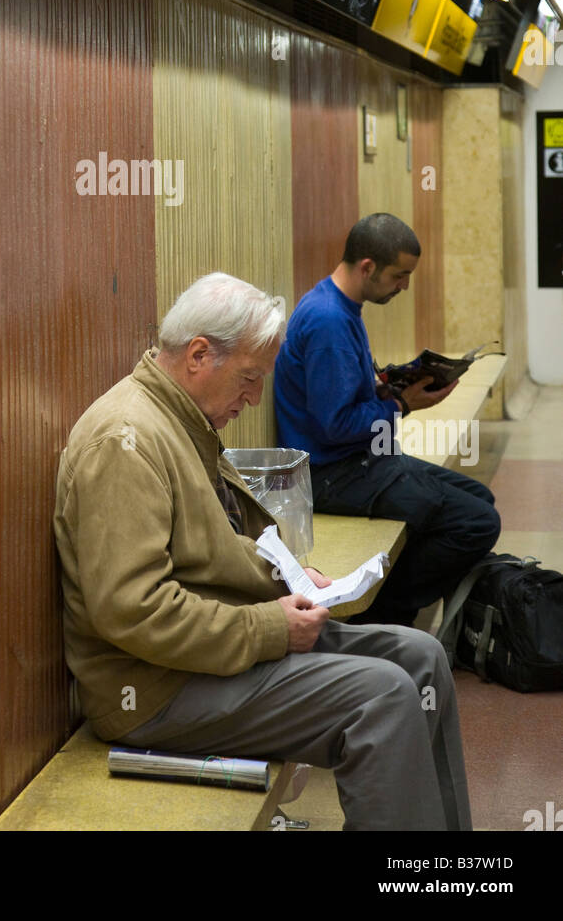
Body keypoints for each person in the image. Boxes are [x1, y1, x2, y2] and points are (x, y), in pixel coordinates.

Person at [54, 271, 472, 831]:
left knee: (420, 659)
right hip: (154, 689)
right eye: (249, 379)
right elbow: (131, 610)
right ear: (199, 354)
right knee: (383, 697)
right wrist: (270, 629)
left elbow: (214, 546)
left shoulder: (180, 417)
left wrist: (292, 577)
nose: (253, 398)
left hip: (209, 648)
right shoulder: (126, 444)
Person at [275, 213, 501, 627]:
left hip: (360, 460)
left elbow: (342, 400)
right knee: (477, 523)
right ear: (367, 267)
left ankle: (409, 600)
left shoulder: (339, 306)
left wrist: (390, 386)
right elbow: (336, 425)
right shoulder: (329, 322)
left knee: (479, 500)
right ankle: (381, 613)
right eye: (399, 276)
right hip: (331, 474)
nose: (404, 286)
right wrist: (403, 405)